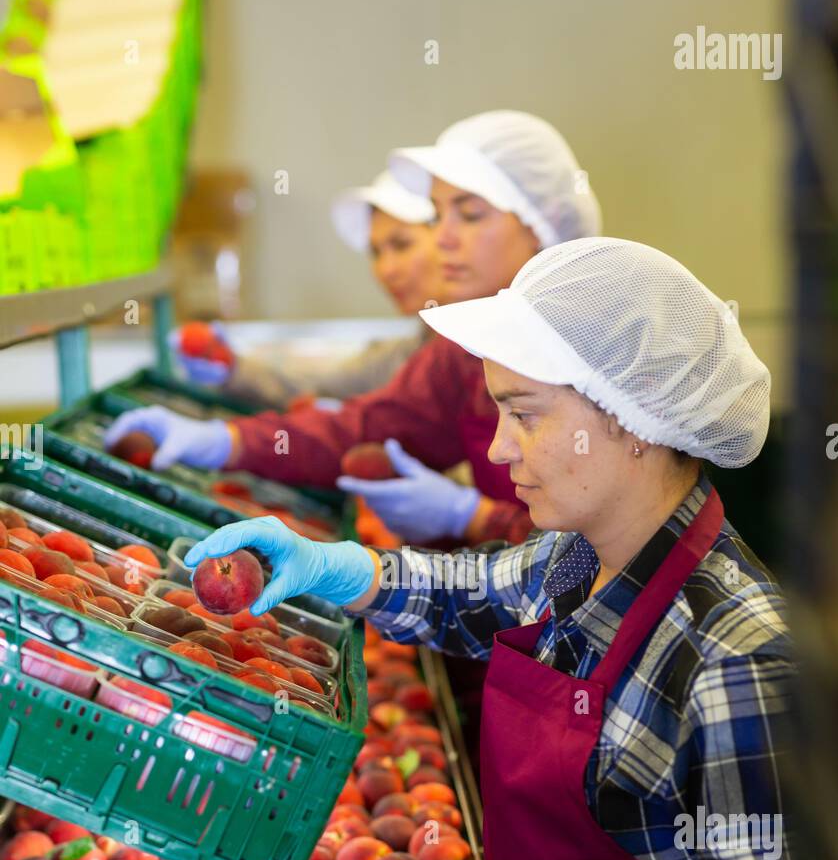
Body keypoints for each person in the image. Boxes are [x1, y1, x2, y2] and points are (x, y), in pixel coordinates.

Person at [182, 237, 795, 860]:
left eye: (523, 414)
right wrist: (342, 571)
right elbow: (468, 594)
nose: (499, 449)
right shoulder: (569, 559)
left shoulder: (736, 660)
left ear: (629, 423)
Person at [105, 110, 601, 548]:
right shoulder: (464, 352)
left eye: (469, 214)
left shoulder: (596, 346)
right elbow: (363, 427)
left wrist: (473, 518)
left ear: (544, 224)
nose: (443, 238)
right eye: (437, 214)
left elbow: (612, 551)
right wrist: (221, 441)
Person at [179, 173, 444, 411]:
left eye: (402, 245)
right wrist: (231, 367)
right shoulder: (401, 357)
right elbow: (312, 384)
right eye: (375, 252)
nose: (385, 269)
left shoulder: (477, 357)